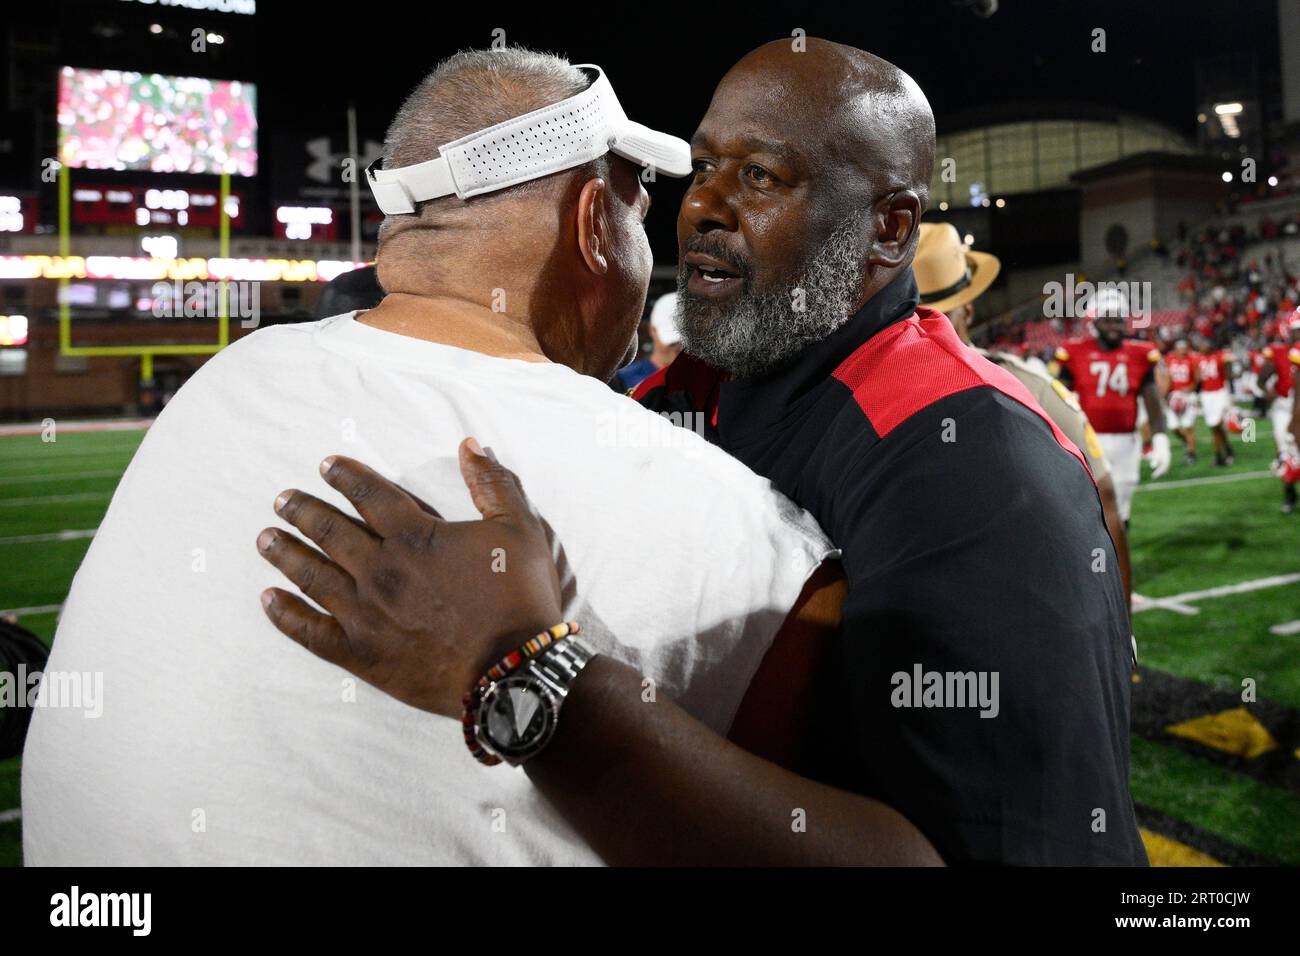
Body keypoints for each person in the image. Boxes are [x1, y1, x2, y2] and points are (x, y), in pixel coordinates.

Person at [260, 39, 1147, 866]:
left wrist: (533, 684)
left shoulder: (968, 462)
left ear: (888, 228)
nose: (704, 206)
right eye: (705, 165)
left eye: (761, 176)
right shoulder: (680, 396)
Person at [21, 48, 843, 866]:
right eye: (635, 211)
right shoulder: (732, 523)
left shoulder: (226, 378)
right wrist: (539, 678)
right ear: (593, 223)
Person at [913, 223, 1133, 614]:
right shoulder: (1032, 389)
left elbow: (1107, 509)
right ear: (969, 306)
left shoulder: (848, 394)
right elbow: (1107, 506)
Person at [1055, 294, 1171, 526]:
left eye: (1119, 320)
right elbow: (1058, 396)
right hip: (1088, 439)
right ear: (1095, 323)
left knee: (1121, 507)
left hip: (1127, 442)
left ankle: (1117, 560)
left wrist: (1160, 438)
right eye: (1108, 320)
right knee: (1088, 504)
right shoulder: (1075, 351)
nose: (1114, 326)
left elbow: (1152, 399)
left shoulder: (1140, 354)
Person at [1260, 313, 1300, 513]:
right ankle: (1290, 494)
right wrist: (1268, 391)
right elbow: (1261, 378)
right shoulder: (1278, 352)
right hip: (1286, 406)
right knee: (1286, 453)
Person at [610, 292, 682, 392]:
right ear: (652, 330)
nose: (681, 348)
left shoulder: (707, 381)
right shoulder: (622, 380)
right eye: (673, 342)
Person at [1195, 337, 1236, 467]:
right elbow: (1197, 378)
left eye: (1204, 344)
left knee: (1216, 424)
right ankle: (1227, 449)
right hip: (1206, 395)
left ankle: (1219, 456)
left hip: (1219, 393)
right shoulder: (1197, 358)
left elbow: (1229, 375)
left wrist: (1231, 394)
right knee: (1214, 427)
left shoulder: (1221, 356)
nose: (1201, 347)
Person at [1164, 339, 1199, 464]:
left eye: (1185, 348)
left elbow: (1197, 378)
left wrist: (1191, 388)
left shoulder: (1193, 359)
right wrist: (1164, 394)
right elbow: (1166, 377)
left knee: (1188, 426)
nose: (1183, 351)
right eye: (1180, 348)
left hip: (1188, 396)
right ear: (1176, 349)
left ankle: (1191, 454)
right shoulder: (1169, 359)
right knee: (1173, 427)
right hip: (1173, 396)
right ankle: (1186, 441)